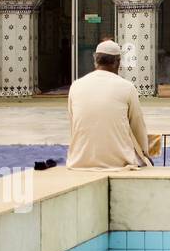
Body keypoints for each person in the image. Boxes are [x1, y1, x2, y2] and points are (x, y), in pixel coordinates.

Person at [67, 40, 159, 170]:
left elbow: (73, 124)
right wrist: (144, 154)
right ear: (118, 62)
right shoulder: (127, 87)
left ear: (95, 61)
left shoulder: (76, 85)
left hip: (79, 161)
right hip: (118, 164)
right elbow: (137, 126)